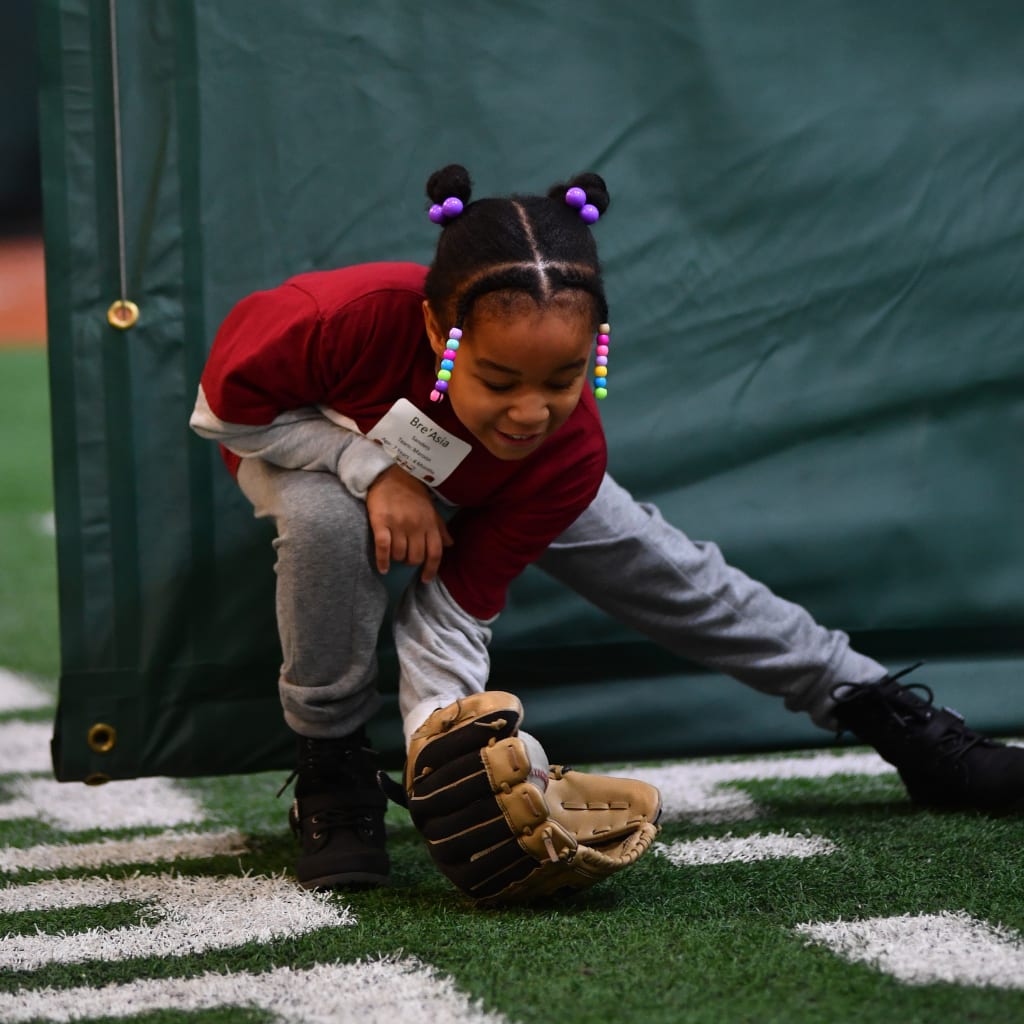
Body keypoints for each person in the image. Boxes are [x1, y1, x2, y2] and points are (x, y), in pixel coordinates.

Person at [190, 164, 1024, 892]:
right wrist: (373, 470)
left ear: (597, 344)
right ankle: (331, 764)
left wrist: (445, 745)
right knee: (325, 522)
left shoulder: (562, 447)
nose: (529, 410)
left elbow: (450, 609)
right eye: (498, 378)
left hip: (489, 483)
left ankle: (890, 718)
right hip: (315, 446)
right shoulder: (335, 316)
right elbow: (225, 415)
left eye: (565, 377)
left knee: (673, 572)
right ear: (437, 330)